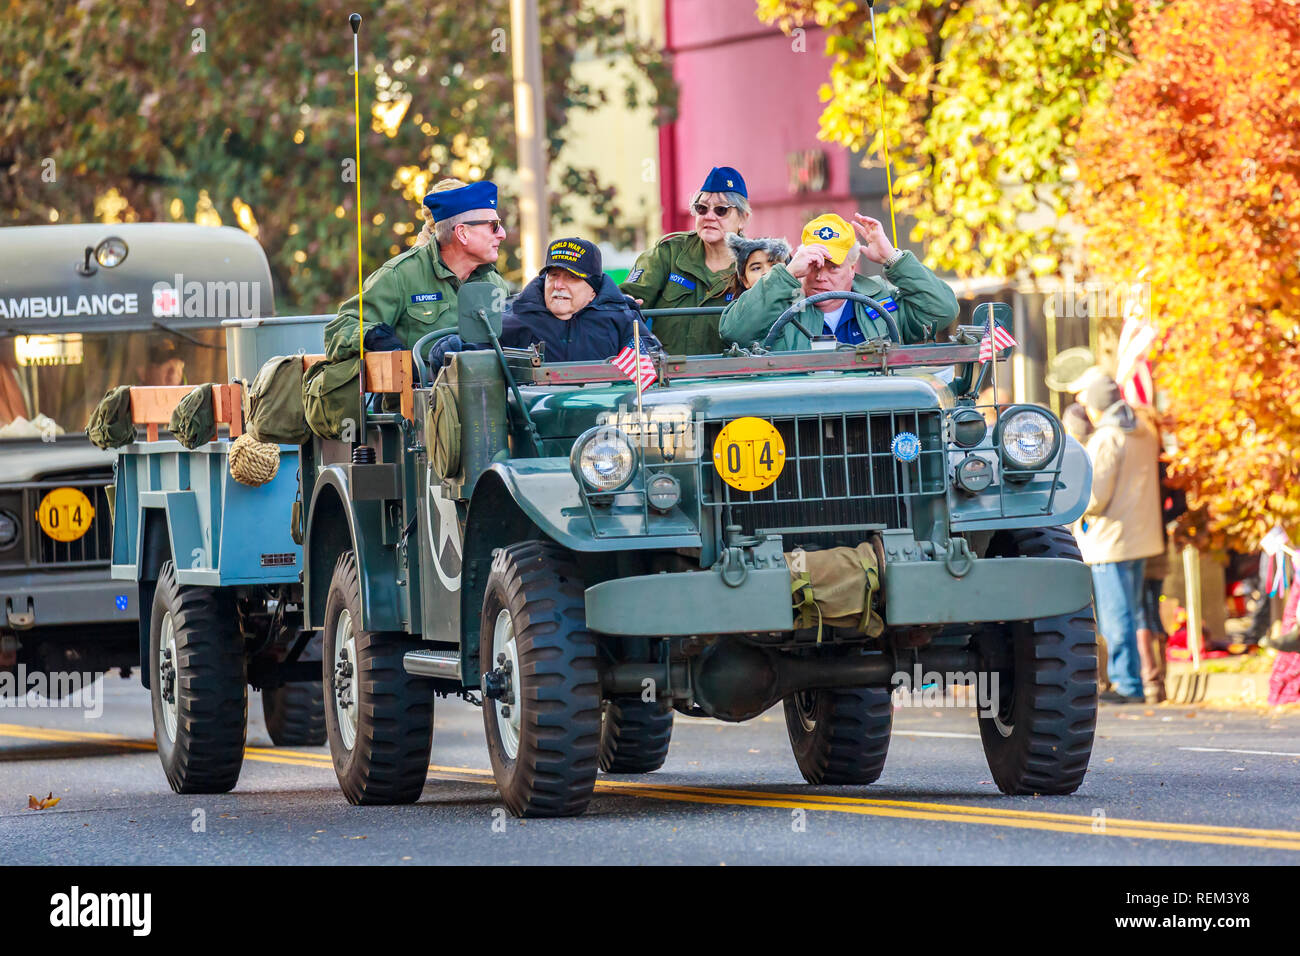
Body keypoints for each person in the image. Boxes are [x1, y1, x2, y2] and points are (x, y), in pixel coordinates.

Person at [323, 178, 510, 360]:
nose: (502, 234)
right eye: (494, 226)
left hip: (484, 389)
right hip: (418, 390)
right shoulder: (401, 276)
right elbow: (339, 330)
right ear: (462, 233)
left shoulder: (494, 283)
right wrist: (376, 338)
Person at [720, 212, 959, 350]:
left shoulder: (882, 300)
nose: (821, 276)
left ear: (852, 269)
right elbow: (733, 332)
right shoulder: (779, 303)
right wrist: (787, 273)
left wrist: (893, 258)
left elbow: (943, 310)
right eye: (814, 265)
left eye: (833, 268)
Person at [1075, 373, 1166, 703]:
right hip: (1141, 537)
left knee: (1116, 616)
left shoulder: (1107, 438)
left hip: (1109, 540)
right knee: (1133, 611)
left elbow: (1095, 496)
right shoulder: (1144, 431)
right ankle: (1138, 681)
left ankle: (1127, 684)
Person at [429, 237, 657, 366]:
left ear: (593, 290)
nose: (558, 285)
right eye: (553, 275)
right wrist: (452, 347)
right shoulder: (515, 318)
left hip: (605, 435)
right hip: (533, 435)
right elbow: (466, 351)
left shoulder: (622, 319)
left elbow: (652, 363)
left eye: (572, 278)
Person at [620, 166, 752, 355]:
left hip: (729, 379)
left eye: (721, 210)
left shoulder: (757, 264)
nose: (709, 216)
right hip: (669, 377)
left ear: (743, 218)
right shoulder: (669, 253)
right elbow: (627, 301)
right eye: (702, 208)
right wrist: (626, 303)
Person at [723, 234, 791, 300]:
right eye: (756, 268)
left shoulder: (800, 305)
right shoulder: (737, 310)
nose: (766, 272)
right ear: (745, 280)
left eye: (774, 265)